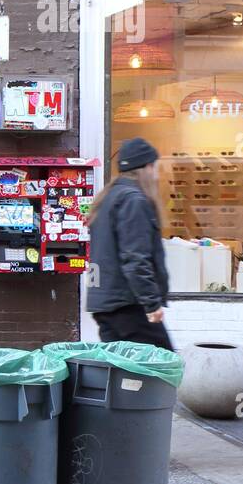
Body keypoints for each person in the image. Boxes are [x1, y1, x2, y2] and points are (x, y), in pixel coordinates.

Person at [86, 137, 174, 350]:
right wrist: (151, 304)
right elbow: (135, 257)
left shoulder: (108, 198)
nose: (156, 174)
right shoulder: (134, 200)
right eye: (154, 167)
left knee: (123, 375)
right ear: (144, 168)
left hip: (105, 304)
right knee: (162, 367)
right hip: (128, 305)